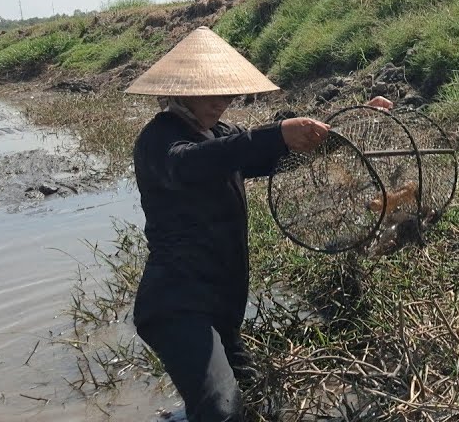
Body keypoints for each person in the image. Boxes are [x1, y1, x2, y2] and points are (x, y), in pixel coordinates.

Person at [124, 26, 390, 421]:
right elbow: (193, 163)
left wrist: (342, 131)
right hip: (176, 304)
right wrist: (275, 133)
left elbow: (274, 157)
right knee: (220, 409)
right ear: (183, 90)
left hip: (221, 302)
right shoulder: (159, 140)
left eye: (227, 91)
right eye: (211, 92)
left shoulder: (220, 134)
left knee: (256, 402)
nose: (223, 100)